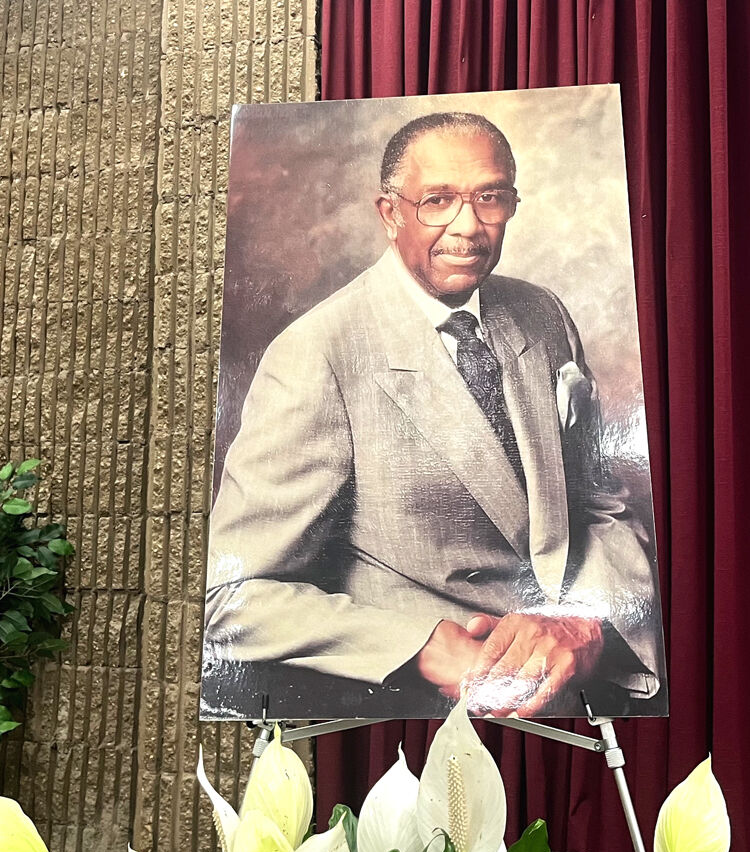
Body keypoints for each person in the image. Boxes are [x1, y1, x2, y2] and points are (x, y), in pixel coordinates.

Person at [203, 112, 664, 720]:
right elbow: (230, 597)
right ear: (390, 213)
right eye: (438, 201)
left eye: (489, 199)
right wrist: (419, 646)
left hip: (584, 684)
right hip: (413, 709)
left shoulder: (541, 312)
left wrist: (591, 619)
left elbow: (599, 506)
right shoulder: (318, 352)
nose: (468, 227)